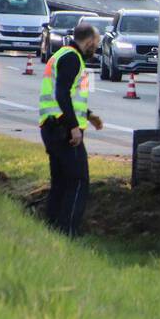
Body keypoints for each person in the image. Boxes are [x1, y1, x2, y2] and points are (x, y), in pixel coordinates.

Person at [38, 22, 104, 236]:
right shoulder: (72, 59)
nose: (96, 48)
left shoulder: (62, 55)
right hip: (63, 130)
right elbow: (62, 95)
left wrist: (88, 115)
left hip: (52, 126)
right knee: (78, 182)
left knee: (60, 182)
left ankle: (51, 228)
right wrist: (74, 127)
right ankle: (67, 232)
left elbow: (69, 96)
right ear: (89, 41)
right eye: (96, 43)